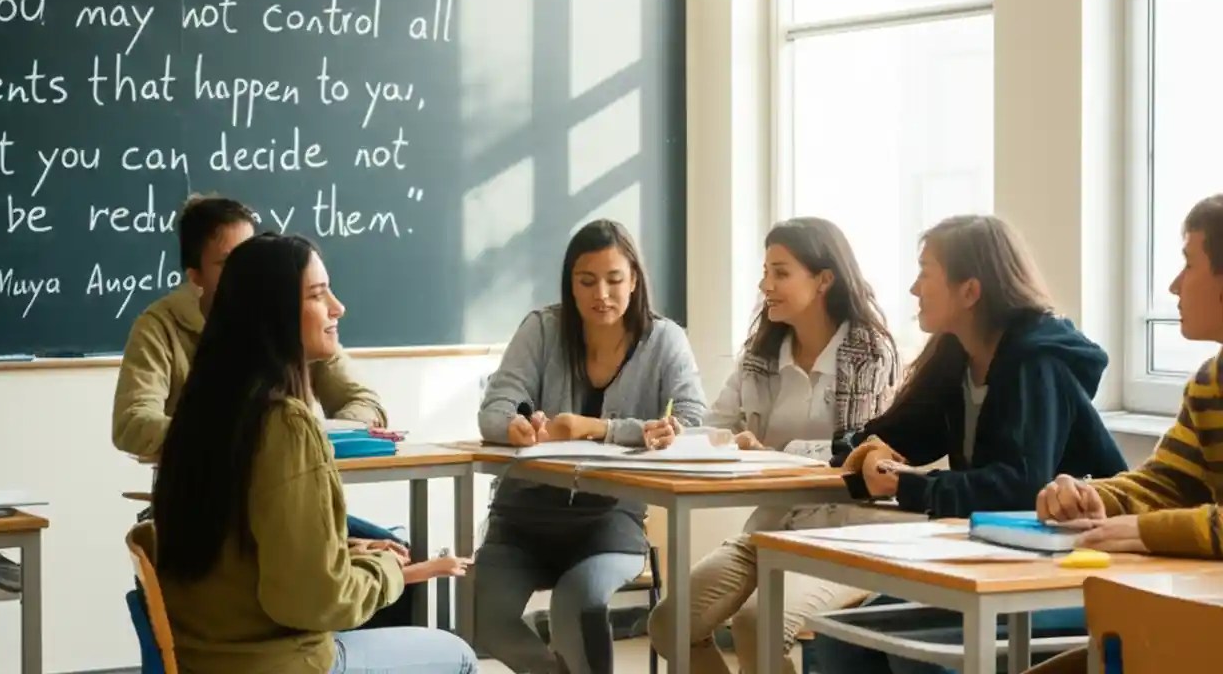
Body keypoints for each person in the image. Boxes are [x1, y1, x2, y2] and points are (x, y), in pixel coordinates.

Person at [142, 232, 477, 674]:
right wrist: (385, 570)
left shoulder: (203, 412)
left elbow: (255, 561)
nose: (338, 308)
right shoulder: (284, 425)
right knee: (459, 655)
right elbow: (313, 602)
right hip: (281, 664)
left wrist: (351, 554)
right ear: (275, 313)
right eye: (319, 296)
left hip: (207, 658)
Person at [813, 214, 1128, 674]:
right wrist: (873, 453)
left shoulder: (1036, 364)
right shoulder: (956, 355)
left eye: (925, 272)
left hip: (1069, 568)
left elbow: (1020, 487)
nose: (913, 289)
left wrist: (906, 484)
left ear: (970, 291)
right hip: (993, 559)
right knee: (838, 636)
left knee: (909, 655)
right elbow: (878, 439)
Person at [112, 194, 409, 628]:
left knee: (391, 556)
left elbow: (366, 405)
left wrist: (303, 437)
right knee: (371, 578)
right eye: (229, 261)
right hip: (212, 508)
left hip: (282, 502)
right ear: (194, 276)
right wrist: (250, 437)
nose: (246, 268)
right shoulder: (160, 328)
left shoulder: (290, 325)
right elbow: (132, 423)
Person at [647, 217, 900, 674]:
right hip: (772, 527)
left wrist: (768, 453)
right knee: (670, 624)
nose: (766, 285)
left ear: (824, 279)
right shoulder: (761, 354)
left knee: (757, 622)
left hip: (849, 533)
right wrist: (676, 436)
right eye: (765, 272)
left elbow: (860, 455)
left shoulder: (870, 352)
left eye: (781, 272)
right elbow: (717, 426)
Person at [474, 219, 708, 674]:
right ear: (571, 286)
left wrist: (596, 428)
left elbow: (694, 425)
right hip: (523, 516)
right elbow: (494, 411)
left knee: (576, 603)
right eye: (587, 281)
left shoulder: (665, 340)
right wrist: (515, 427)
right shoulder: (542, 329)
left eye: (614, 279)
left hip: (609, 520)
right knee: (479, 615)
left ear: (635, 280)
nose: (601, 293)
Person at [1028, 194, 1223, 674]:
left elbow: (1158, 516)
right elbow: (1165, 483)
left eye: (1189, 263)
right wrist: (1092, 497)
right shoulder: (1211, 381)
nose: (1176, 285)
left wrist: (1146, 530)